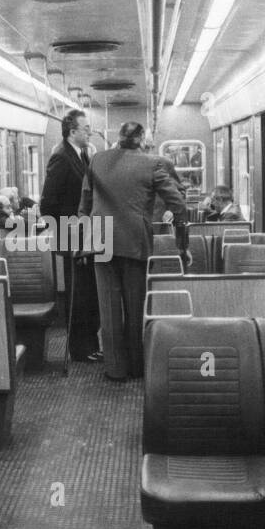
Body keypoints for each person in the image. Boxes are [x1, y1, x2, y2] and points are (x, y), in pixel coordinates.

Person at [79, 121, 189, 382]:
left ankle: (115, 369)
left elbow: (83, 205)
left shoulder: (97, 160)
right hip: (134, 243)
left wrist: (83, 243)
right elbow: (179, 205)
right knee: (135, 306)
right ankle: (137, 367)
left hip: (100, 242)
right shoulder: (152, 164)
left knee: (109, 309)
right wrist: (182, 245)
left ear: (119, 138)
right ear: (140, 139)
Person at [40, 110, 101, 362]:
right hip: (73, 237)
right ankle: (80, 350)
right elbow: (48, 204)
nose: (90, 132)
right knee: (79, 295)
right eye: (86, 128)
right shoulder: (62, 158)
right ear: (72, 131)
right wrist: (69, 233)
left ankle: (89, 345)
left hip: (85, 236)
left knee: (88, 292)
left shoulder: (82, 155)